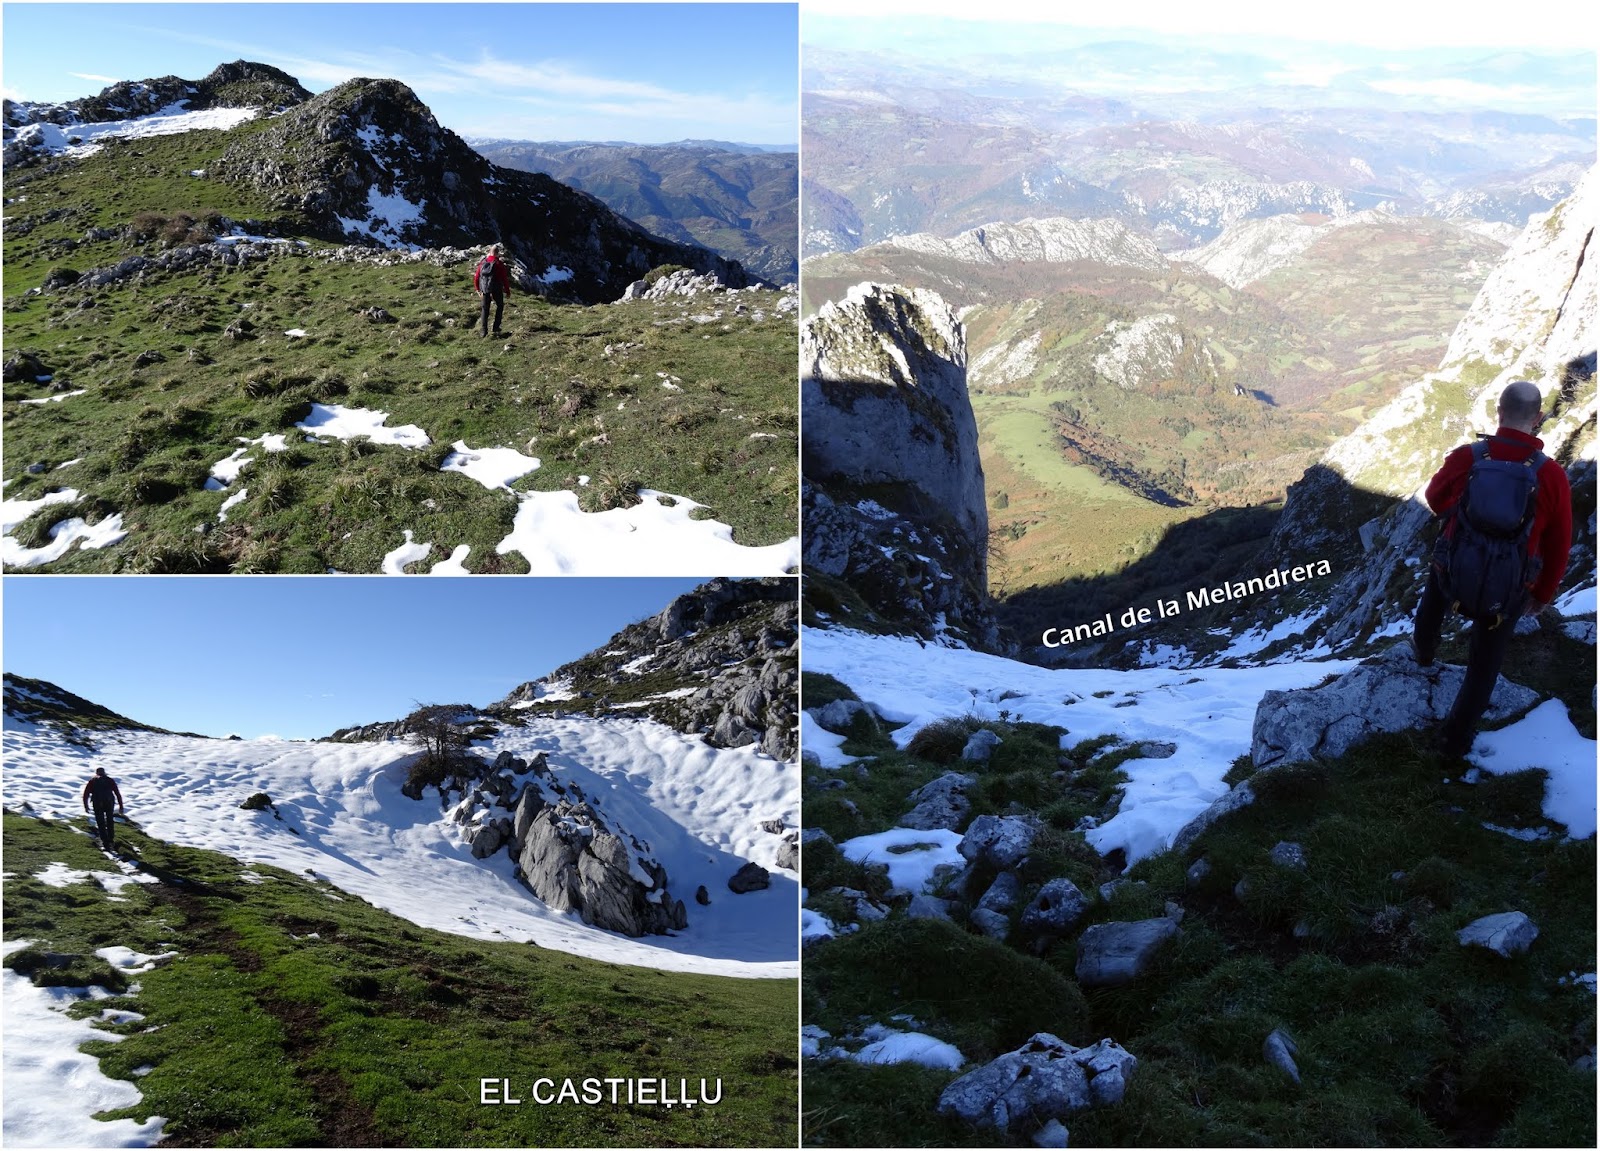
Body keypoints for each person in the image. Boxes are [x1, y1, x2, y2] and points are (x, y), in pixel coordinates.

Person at [1412, 379, 1572, 756]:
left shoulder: (1470, 456)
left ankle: (1423, 651)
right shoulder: (1551, 475)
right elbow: (1559, 543)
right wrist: (1542, 594)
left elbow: (1434, 497)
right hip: (1509, 584)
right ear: (1537, 419)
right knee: (1484, 664)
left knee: (1435, 591)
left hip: (1455, 566)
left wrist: (1465, 517)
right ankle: (1453, 743)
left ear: (1499, 412)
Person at [82, 766, 126, 849]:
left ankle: (105, 841)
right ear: (104, 772)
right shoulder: (110, 780)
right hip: (109, 802)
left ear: (97, 773)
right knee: (110, 820)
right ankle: (111, 839)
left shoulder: (93, 781)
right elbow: (117, 793)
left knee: (100, 822)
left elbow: (86, 794)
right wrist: (121, 806)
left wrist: (86, 806)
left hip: (97, 803)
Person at [474, 242, 511, 337]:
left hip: (485, 289)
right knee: (500, 306)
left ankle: (483, 331)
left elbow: (477, 277)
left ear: (490, 252)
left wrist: (478, 289)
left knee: (485, 309)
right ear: (498, 253)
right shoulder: (499, 264)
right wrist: (507, 291)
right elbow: (504, 279)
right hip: (496, 289)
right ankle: (496, 327)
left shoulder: (483, 262)